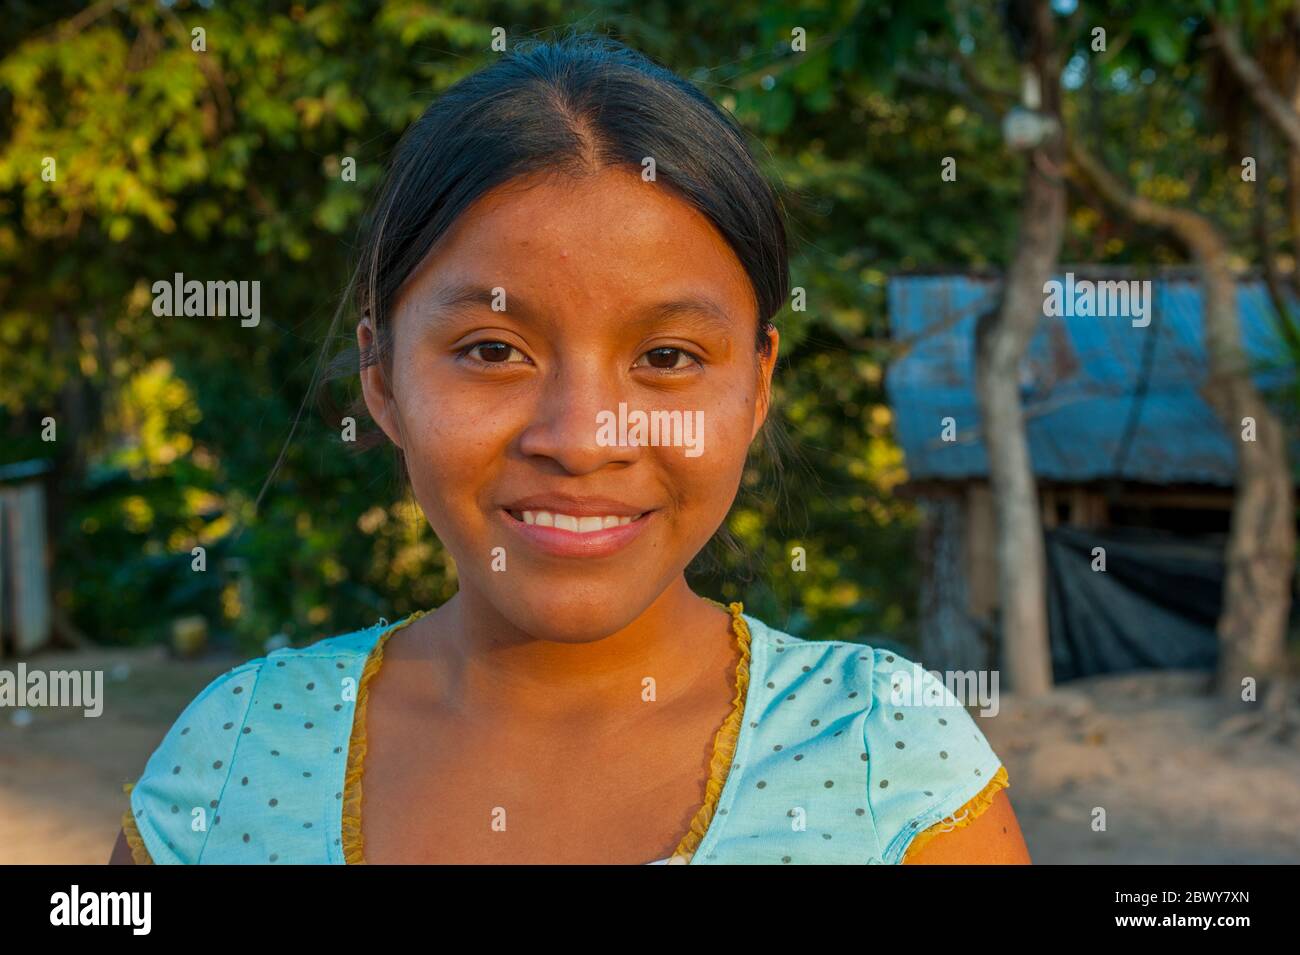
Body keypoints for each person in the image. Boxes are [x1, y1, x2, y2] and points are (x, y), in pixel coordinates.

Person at [110, 32, 1028, 865]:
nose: (585, 439)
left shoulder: (888, 764)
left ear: (756, 385)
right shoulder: (232, 762)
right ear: (381, 377)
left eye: (667, 357)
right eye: (493, 351)